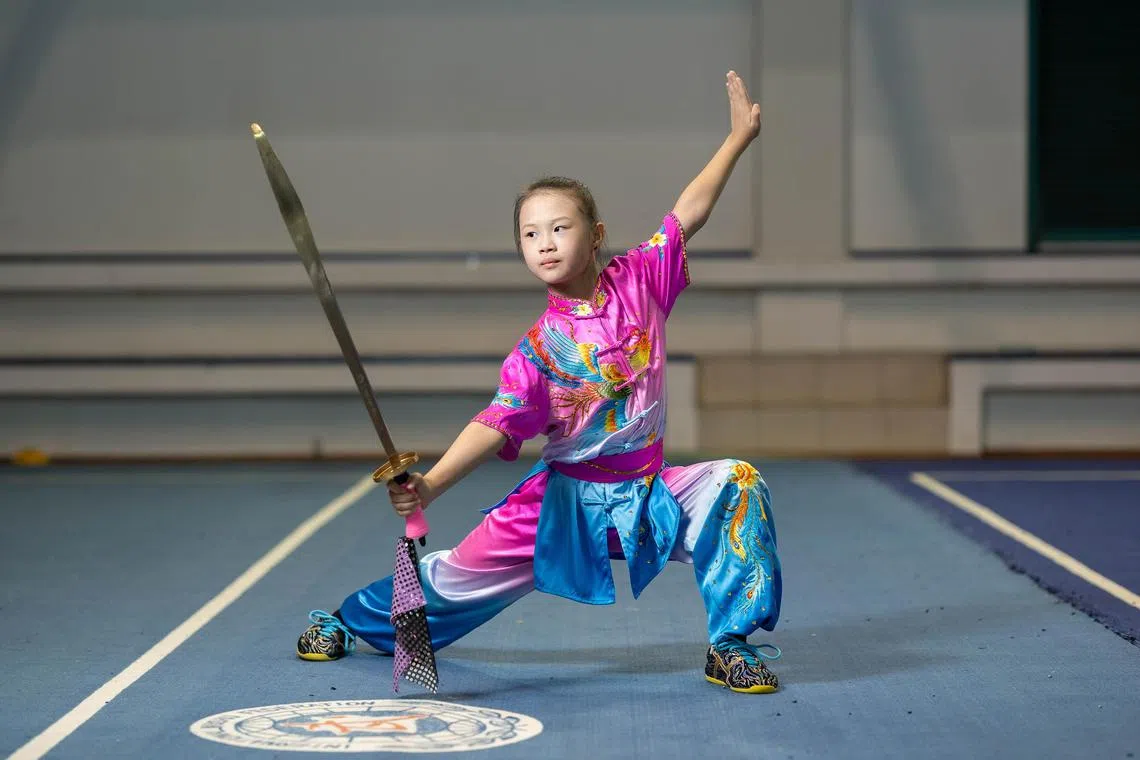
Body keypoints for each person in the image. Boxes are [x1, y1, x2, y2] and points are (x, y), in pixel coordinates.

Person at [297, 71, 782, 694]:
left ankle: (729, 645)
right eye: (530, 233)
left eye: (560, 227)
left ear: (596, 235)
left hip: (649, 490)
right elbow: (493, 422)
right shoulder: (534, 353)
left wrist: (738, 138)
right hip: (562, 505)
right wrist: (432, 486)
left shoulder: (642, 281)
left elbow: (688, 211)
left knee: (737, 485)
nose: (544, 243)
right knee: (449, 584)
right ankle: (346, 621)